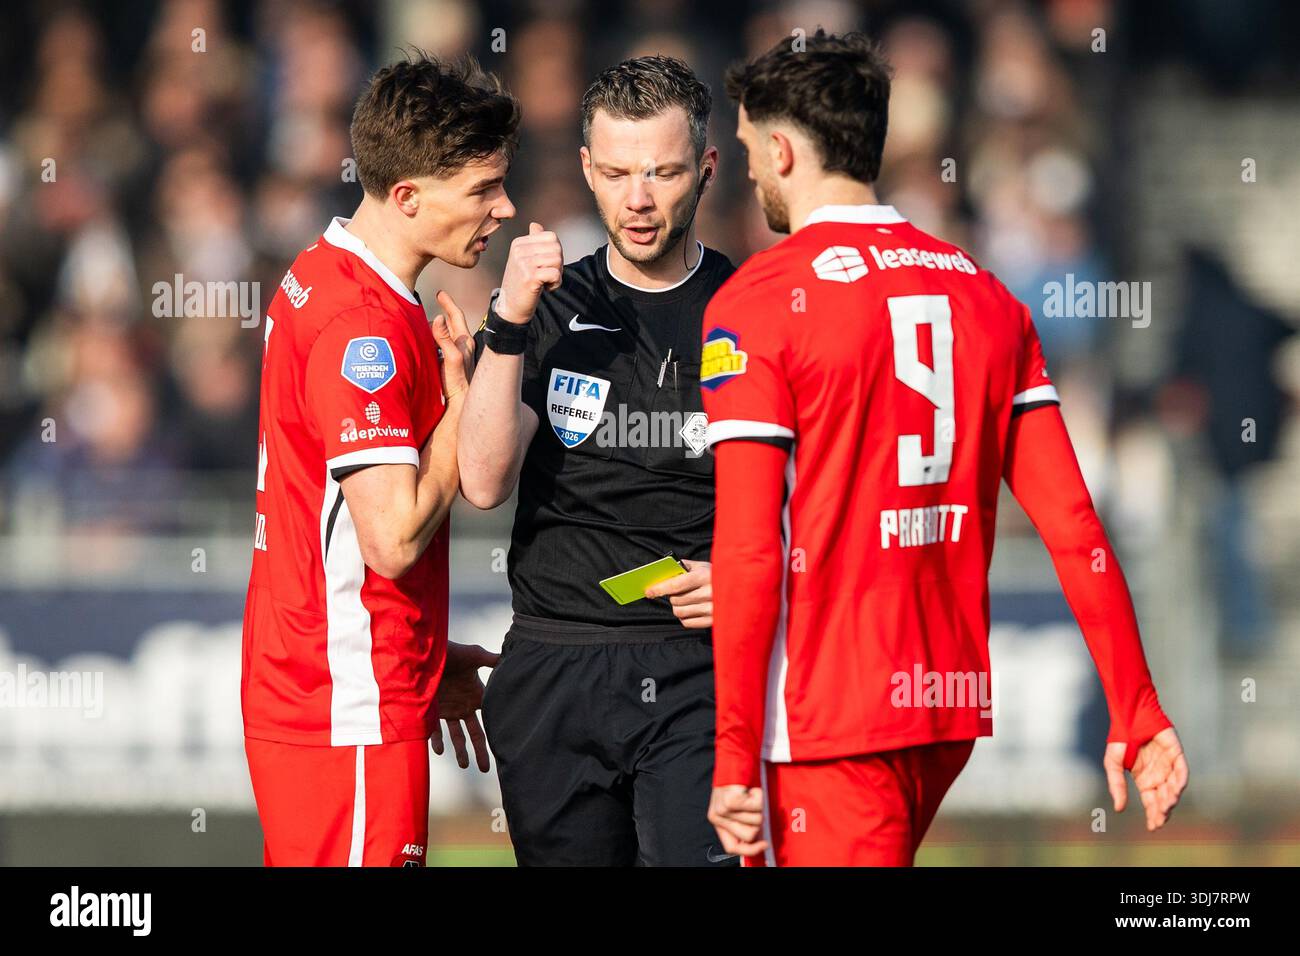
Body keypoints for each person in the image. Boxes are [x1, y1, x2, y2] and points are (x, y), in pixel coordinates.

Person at [704, 30, 1189, 866]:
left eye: (748, 150)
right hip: (943, 706)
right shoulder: (984, 293)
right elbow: (1075, 526)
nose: (747, 171)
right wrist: (1135, 704)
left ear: (781, 149)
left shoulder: (759, 300)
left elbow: (749, 549)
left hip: (830, 717)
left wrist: (734, 752)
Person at [457, 56, 737, 866]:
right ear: (586, 169)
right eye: (615, 173)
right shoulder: (545, 307)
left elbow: (820, 489)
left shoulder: (753, 311)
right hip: (555, 663)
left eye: (663, 172)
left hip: (697, 668)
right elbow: (481, 481)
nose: (639, 198)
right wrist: (505, 319)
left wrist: (753, 574)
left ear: (706, 170)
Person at [241, 53, 513, 866]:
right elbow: (391, 538)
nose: (502, 208)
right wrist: (463, 404)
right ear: (407, 196)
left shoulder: (317, 275)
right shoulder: (365, 330)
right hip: (348, 704)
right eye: (482, 189)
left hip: (327, 686)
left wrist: (429, 652)